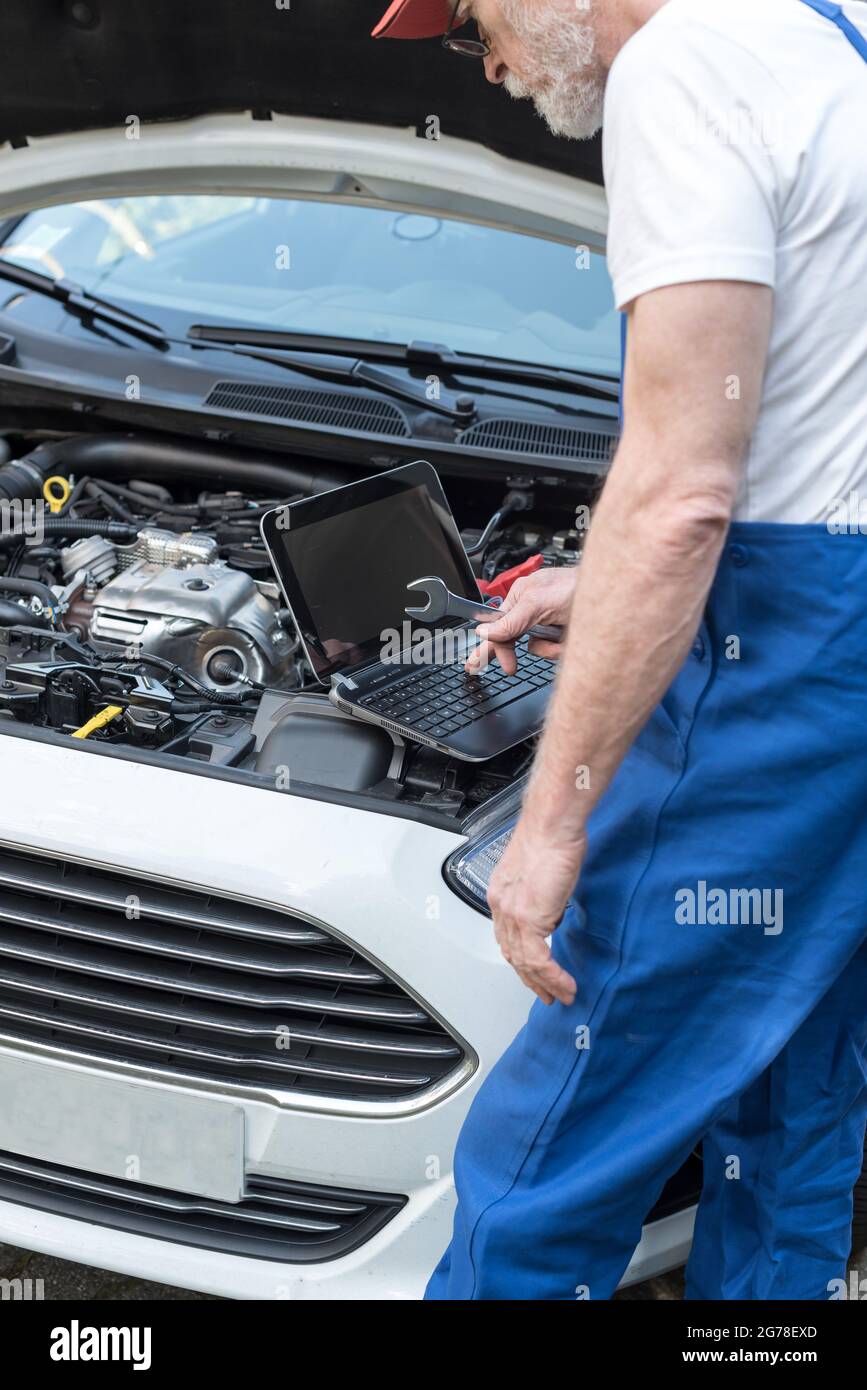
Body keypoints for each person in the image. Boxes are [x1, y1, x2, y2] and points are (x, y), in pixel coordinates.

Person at [373, 0, 867, 1300]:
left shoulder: (679, 72)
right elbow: (826, 412)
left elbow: (684, 492)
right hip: (842, 639)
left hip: (790, 677)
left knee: (548, 1160)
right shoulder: (828, 41)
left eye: (470, 23)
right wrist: (607, 585)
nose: (483, 63)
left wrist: (549, 834)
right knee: (791, 1103)